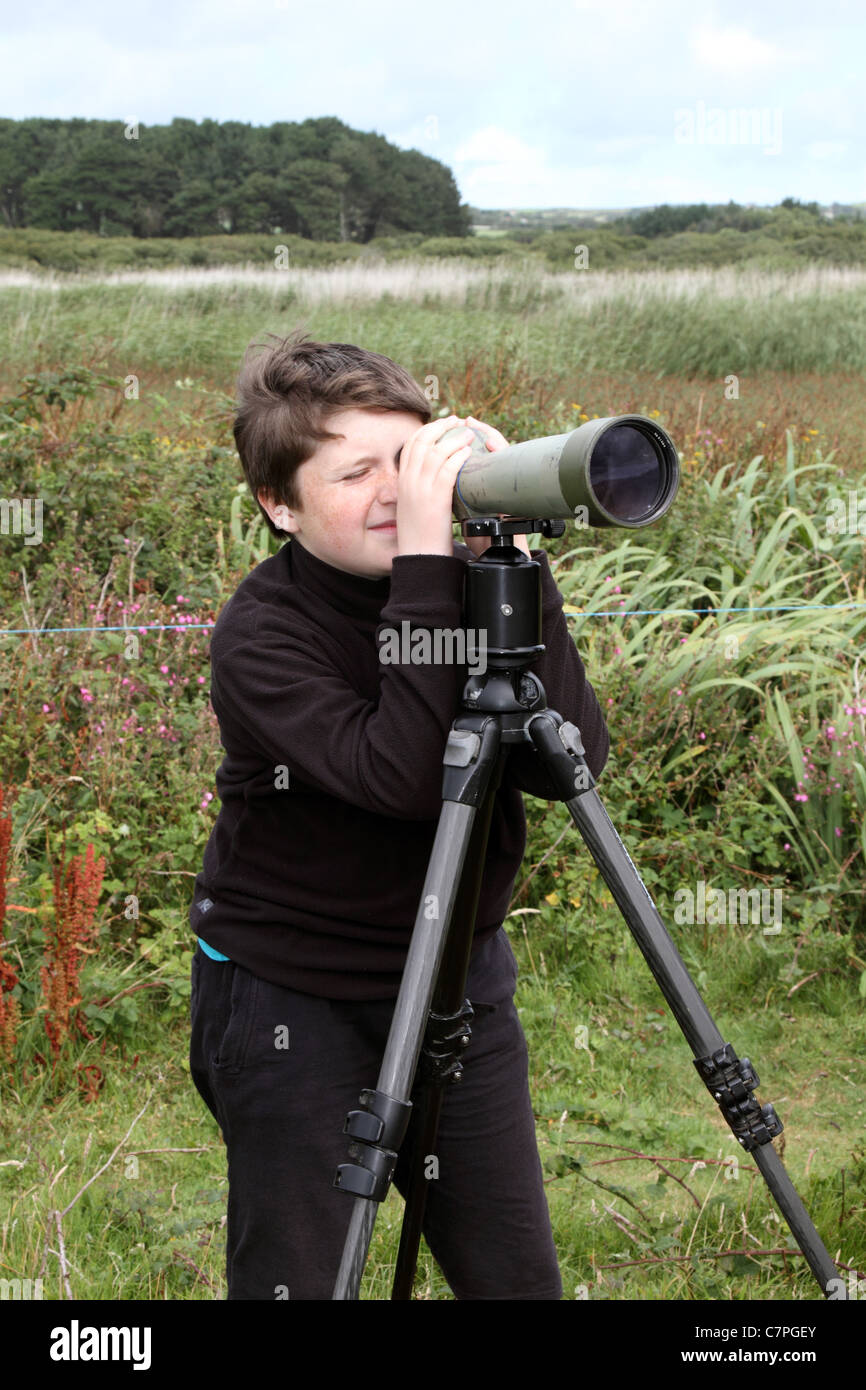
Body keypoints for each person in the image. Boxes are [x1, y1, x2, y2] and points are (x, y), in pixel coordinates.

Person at [188, 329, 610, 1300]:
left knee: (515, 1279)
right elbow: (407, 780)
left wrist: (509, 554)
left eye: (410, 458)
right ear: (277, 506)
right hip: (295, 994)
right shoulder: (262, 636)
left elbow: (567, 761)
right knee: (297, 1278)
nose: (394, 491)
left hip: (458, 986)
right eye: (353, 473)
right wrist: (427, 562)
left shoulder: (460, 577)